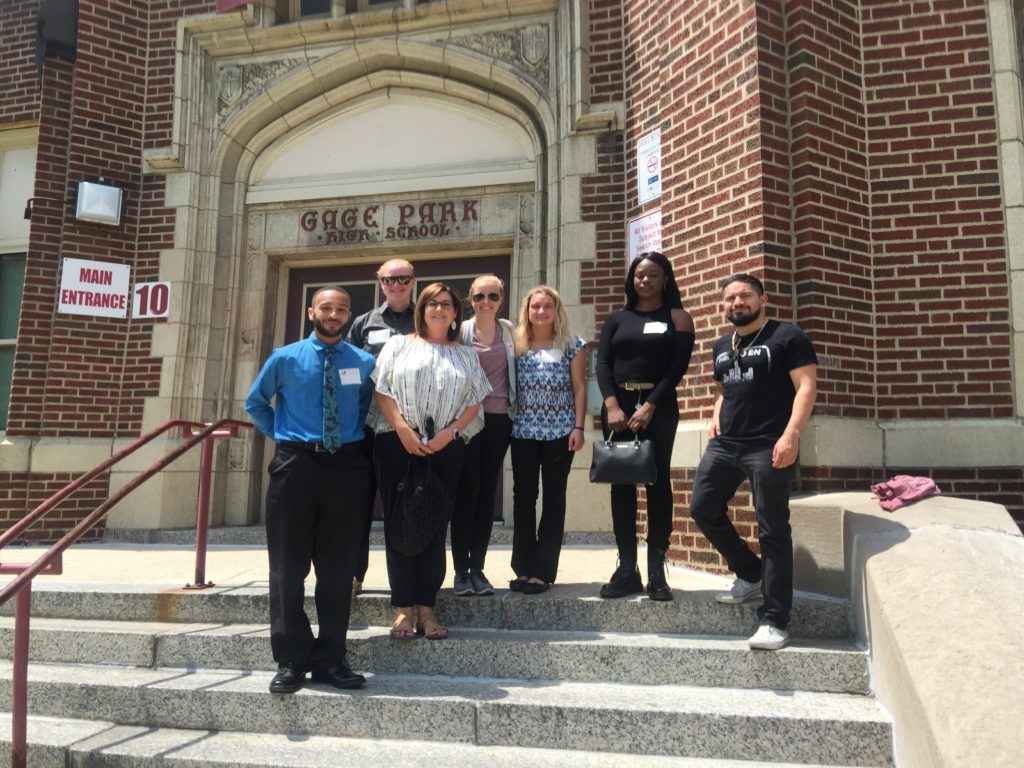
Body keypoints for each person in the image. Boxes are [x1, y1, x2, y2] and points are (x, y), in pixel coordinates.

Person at [245, 286, 376, 693]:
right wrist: (285, 437)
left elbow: (367, 407)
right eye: (326, 308)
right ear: (311, 311)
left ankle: (330, 659)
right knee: (287, 568)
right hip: (295, 466)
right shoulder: (284, 358)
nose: (333, 315)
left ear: (349, 315)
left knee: (337, 571)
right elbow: (256, 403)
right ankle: (291, 659)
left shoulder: (364, 362)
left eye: (340, 310)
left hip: (347, 468)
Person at [689, 273, 818, 651]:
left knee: (772, 527)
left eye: (745, 296)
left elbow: (806, 386)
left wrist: (791, 434)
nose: (737, 303)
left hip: (769, 443)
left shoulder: (787, 336)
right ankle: (750, 571)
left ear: (762, 299)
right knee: (702, 507)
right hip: (726, 442)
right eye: (730, 298)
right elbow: (726, 388)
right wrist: (716, 413)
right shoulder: (721, 345)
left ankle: (775, 619)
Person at [372, 283, 491, 639]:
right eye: (432, 304)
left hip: (445, 448)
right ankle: (403, 611)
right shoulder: (398, 345)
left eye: (447, 305)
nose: (439, 309)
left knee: (435, 525)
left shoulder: (466, 354)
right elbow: (382, 389)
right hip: (397, 445)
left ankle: (427, 609)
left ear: (456, 313)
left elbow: (476, 401)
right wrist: (402, 429)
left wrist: (450, 433)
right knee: (399, 525)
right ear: (421, 310)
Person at [595, 252, 695, 601]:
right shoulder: (617, 319)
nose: (646, 281)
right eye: (639, 275)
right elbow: (603, 364)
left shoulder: (678, 318)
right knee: (621, 483)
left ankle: (656, 570)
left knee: (657, 482)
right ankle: (627, 569)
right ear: (631, 279)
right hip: (618, 410)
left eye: (653, 275)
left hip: (660, 407)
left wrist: (651, 404)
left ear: (666, 279)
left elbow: (676, 369)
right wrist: (611, 405)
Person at [508, 286, 587, 594]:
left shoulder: (571, 344)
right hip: (523, 432)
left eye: (547, 307)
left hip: (560, 432)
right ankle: (523, 568)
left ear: (557, 310)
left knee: (554, 498)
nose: (540, 312)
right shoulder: (517, 344)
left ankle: (543, 570)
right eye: (535, 307)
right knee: (523, 498)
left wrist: (578, 427)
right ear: (527, 311)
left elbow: (579, 386)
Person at [346, 259, 417, 597]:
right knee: (357, 502)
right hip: (365, 425)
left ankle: (402, 583)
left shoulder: (424, 318)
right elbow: (346, 366)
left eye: (403, 278)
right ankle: (352, 575)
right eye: (390, 279)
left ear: (412, 281)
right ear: (380, 282)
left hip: (405, 427)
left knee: (400, 506)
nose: (397, 284)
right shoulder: (364, 323)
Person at [452, 275, 517, 597]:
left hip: (499, 420)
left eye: (493, 296)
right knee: (467, 490)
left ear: (501, 298)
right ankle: (460, 572)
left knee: (487, 492)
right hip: (466, 420)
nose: (486, 302)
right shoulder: (460, 331)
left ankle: (477, 568)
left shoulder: (510, 331)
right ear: (471, 299)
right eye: (479, 297)